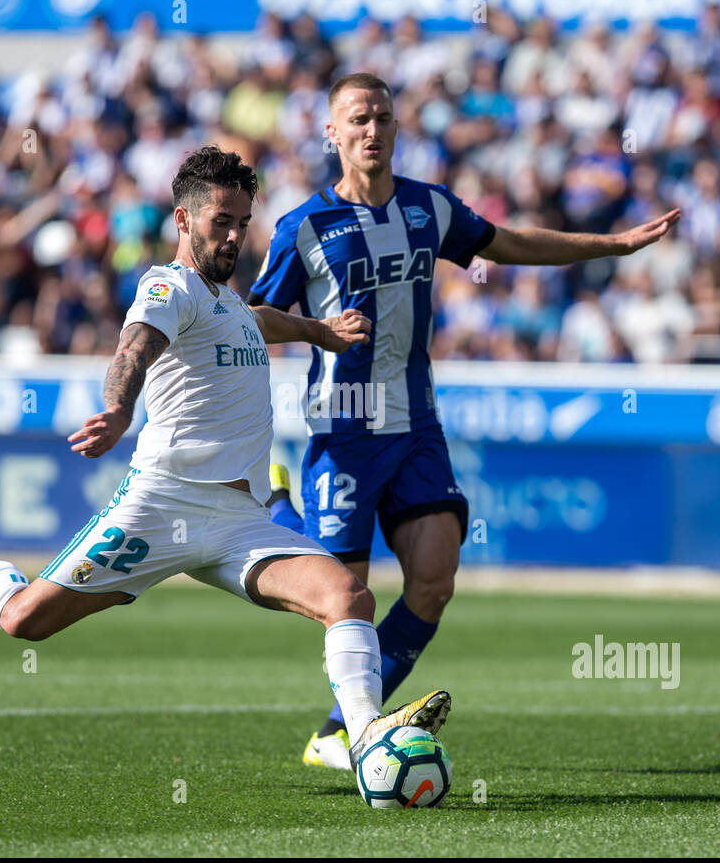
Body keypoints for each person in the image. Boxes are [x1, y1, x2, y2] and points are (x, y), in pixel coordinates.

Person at [0, 145, 450, 767]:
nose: (234, 235)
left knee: (349, 598)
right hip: (160, 506)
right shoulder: (168, 285)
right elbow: (133, 349)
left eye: (242, 222)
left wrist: (321, 331)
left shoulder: (229, 303)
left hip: (240, 522)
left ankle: (366, 737)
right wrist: (119, 409)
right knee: (25, 621)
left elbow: (263, 321)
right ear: (183, 220)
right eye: (221, 222)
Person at [250, 73, 679, 769]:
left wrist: (612, 247)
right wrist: (316, 327)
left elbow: (506, 243)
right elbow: (254, 315)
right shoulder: (304, 227)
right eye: (358, 118)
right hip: (345, 430)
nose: (372, 129)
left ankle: (337, 733)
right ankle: (278, 514)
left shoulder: (429, 207)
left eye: (383, 117)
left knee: (434, 580)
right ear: (331, 132)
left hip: (417, 426)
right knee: (343, 597)